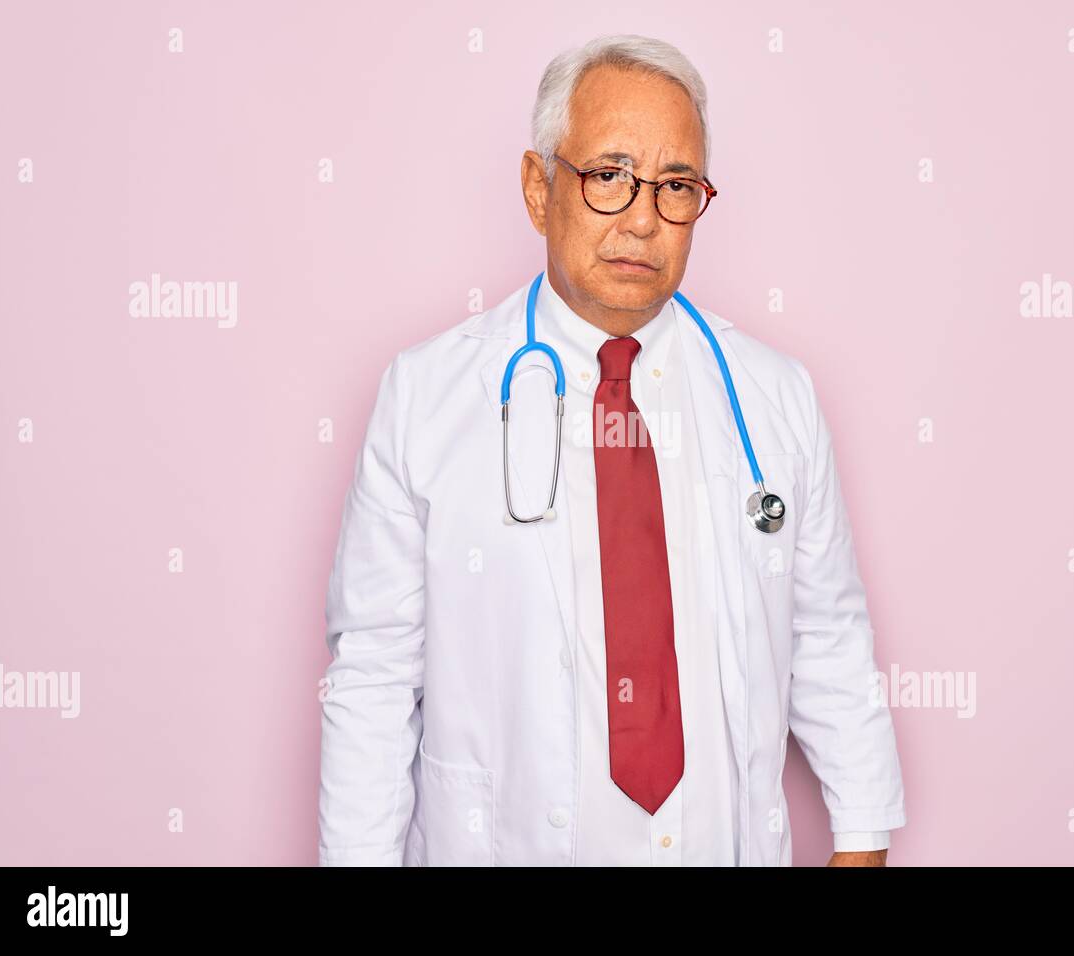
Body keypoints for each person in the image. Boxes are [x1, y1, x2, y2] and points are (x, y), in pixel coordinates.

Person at [318, 33, 906, 866]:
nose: (641, 218)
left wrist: (863, 836)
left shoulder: (774, 397)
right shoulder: (424, 397)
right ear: (537, 188)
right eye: (608, 176)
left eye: (675, 187)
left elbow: (829, 637)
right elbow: (374, 679)